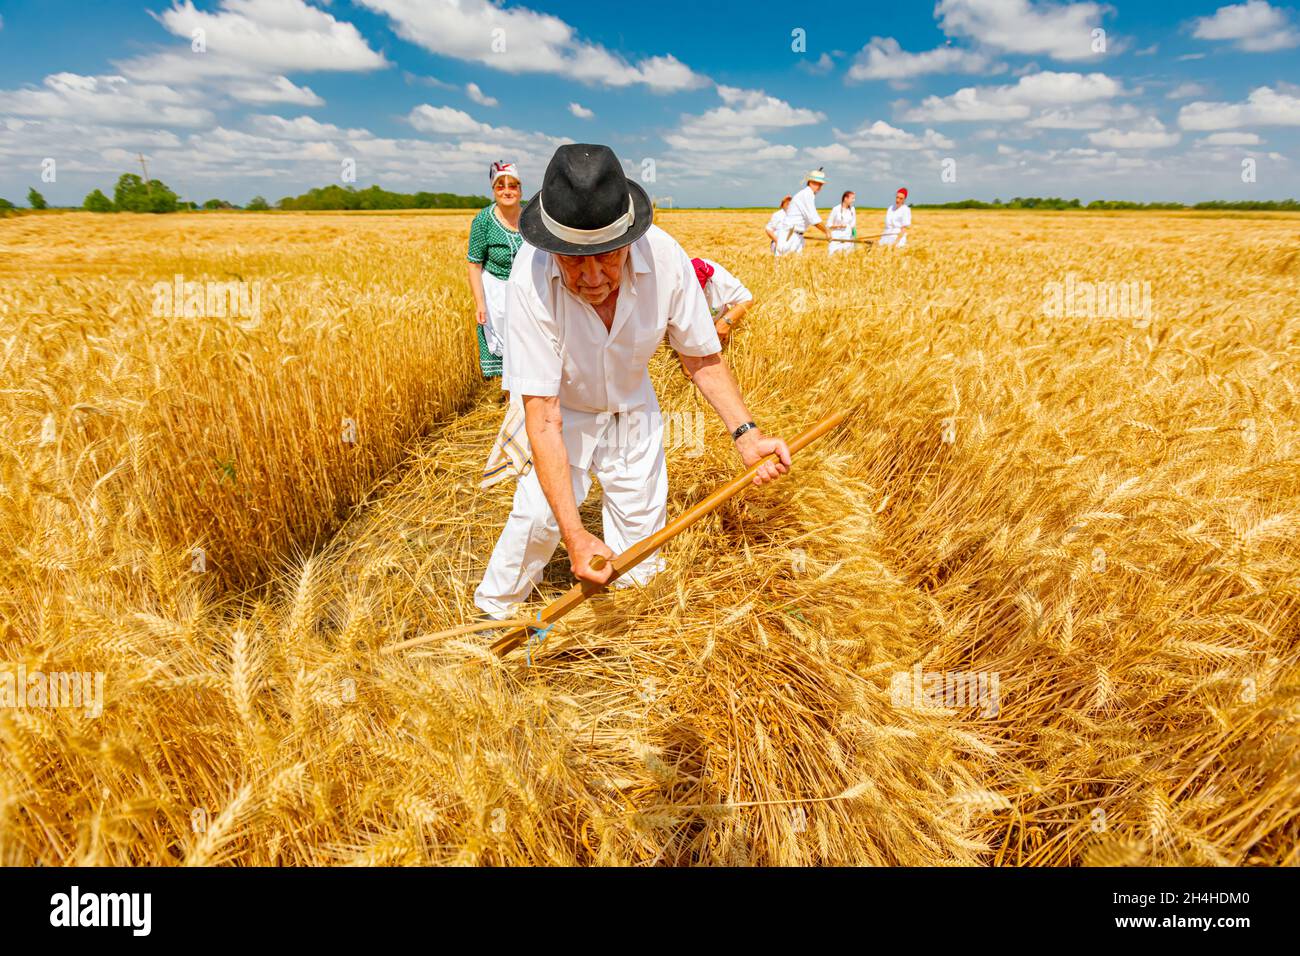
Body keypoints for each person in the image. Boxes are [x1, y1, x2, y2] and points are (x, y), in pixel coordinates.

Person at [474, 144, 791, 621]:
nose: (593, 276)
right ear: (551, 248)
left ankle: (626, 630)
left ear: (630, 238)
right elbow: (541, 414)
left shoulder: (666, 260)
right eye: (574, 260)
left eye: (606, 256)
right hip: (564, 407)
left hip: (632, 408)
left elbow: (701, 357)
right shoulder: (529, 279)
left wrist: (748, 435)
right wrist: (575, 536)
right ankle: (493, 616)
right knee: (538, 519)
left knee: (642, 546)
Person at [466, 161, 524, 378]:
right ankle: (513, 405)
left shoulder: (531, 217)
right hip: (496, 294)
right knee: (506, 352)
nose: (507, 191)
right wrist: (480, 303)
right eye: (501, 186)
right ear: (493, 190)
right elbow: (474, 264)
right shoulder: (483, 220)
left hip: (529, 291)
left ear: (520, 189)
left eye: (513, 185)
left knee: (532, 347)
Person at [676, 257, 753, 379]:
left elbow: (747, 299)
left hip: (716, 315)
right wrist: (687, 358)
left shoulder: (719, 279)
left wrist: (725, 321)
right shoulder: (673, 288)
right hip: (687, 327)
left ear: (707, 283)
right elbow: (677, 327)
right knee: (690, 372)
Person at [774, 169, 829, 256]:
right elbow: (813, 218)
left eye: (821, 184)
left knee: (795, 266)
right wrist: (827, 232)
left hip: (797, 236)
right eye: (817, 183)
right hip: (790, 235)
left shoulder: (807, 194)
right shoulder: (807, 194)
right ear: (810, 182)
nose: (819, 187)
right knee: (784, 265)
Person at [827, 190, 856, 255]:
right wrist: (839, 226)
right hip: (836, 238)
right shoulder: (836, 209)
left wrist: (854, 236)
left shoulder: (852, 209)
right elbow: (829, 224)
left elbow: (853, 224)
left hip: (848, 238)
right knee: (832, 255)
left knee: (847, 257)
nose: (854, 200)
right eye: (852, 198)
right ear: (845, 198)